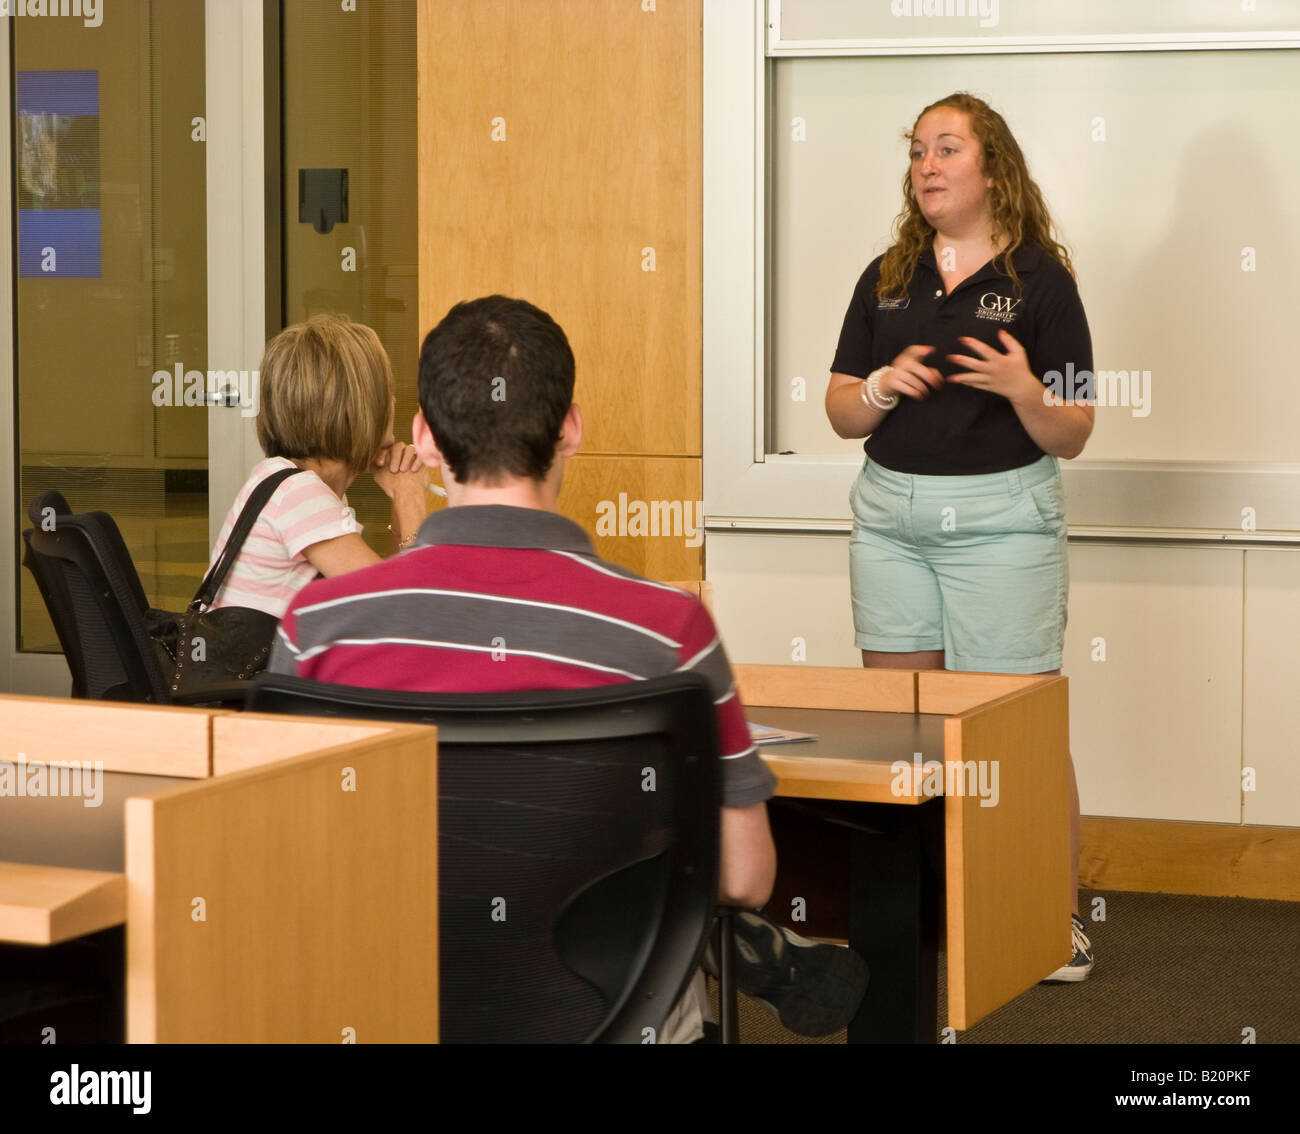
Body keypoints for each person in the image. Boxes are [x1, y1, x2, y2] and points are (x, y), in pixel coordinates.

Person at [269, 294, 867, 1041]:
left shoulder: (317, 628)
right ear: (572, 430)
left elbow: (288, 869)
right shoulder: (669, 630)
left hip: (387, 1014)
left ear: (424, 438)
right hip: (608, 1020)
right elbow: (745, 878)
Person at [824, 92, 1095, 981]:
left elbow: (1074, 431)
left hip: (1002, 527)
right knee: (904, 732)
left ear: (993, 169)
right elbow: (838, 413)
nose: (927, 166)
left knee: (1012, 733)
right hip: (891, 521)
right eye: (917, 152)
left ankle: (1051, 921)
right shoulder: (888, 274)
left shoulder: (1040, 283)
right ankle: (929, 913)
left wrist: (1025, 391)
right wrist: (880, 387)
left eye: (947, 149)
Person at [208, 315, 429, 619]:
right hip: (271, 667)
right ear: (356, 408)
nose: (392, 401)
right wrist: (410, 498)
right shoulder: (300, 495)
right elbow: (409, 613)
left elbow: (391, 589)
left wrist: (398, 502)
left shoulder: (291, 483)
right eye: (383, 392)